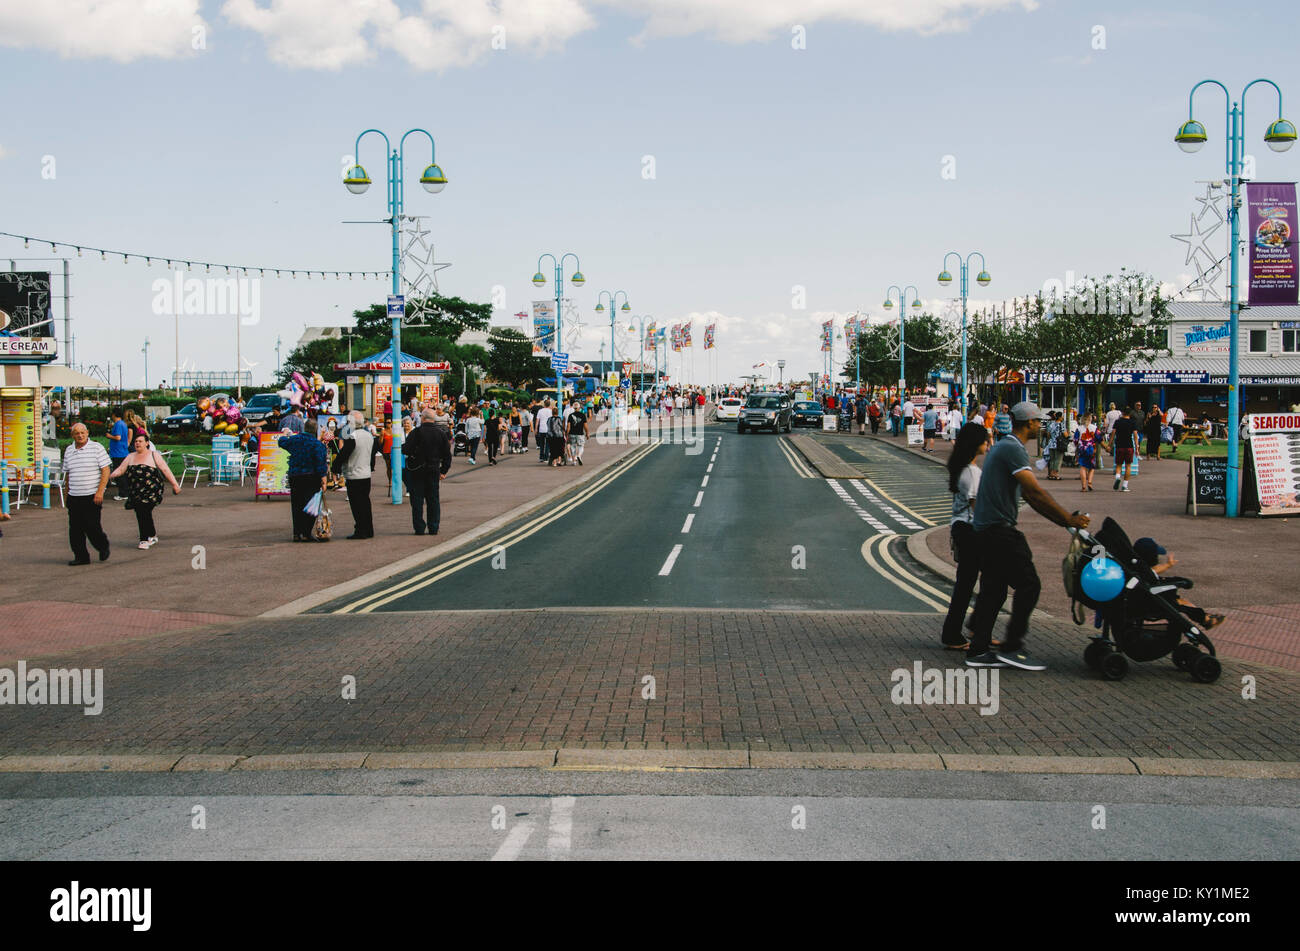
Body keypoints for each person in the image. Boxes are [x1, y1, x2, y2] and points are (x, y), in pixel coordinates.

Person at [965, 401, 1090, 671]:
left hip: (986, 528)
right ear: (1030, 423)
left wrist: (1063, 520)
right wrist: (1067, 519)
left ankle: (978, 650)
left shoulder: (1005, 446)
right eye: (1037, 422)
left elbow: (1032, 497)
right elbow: (1034, 493)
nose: (1039, 425)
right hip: (998, 529)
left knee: (994, 591)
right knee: (1029, 584)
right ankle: (1012, 646)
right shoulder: (1012, 449)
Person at [940, 422, 992, 649]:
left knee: (966, 584)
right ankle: (957, 633)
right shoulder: (972, 473)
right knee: (980, 583)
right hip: (971, 530)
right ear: (976, 444)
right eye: (985, 440)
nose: (988, 444)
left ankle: (964, 630)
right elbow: (977, 506)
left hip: (960, 528)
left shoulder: (961, 468)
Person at [108, 433, 182, 549]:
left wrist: (175, 485)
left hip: (151, 490)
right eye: (136, 441)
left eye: (140, 441)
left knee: (144, 511)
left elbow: (165, 469)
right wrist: (109, 476)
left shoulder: (154, 455)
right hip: (136, 491)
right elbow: (121, 469)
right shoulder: (130, 456)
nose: (137, 443)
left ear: (147, 443)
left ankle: (144, 540)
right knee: (142, 513)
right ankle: (152, 535)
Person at [1133, 537, 1224, 629]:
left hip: (1146, 596)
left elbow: (1152, 571)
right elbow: (1152, 572)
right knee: (1179, 604)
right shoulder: (1143, 571)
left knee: (1180, 601)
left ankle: (1204, 617)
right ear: (1151, 556)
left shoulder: (1137, 567)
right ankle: (1205, 619)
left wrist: (1168, 565)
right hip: (1151, 603)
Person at [63, 422, 112, 565]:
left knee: (92, 526)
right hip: (74, 496)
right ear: (72, 435)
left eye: (82, 432)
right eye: (77, 433)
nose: (80, 435)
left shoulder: (96, 448)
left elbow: (106, 470)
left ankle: (102, 546)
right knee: (75, 529)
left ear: (87, 433)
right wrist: (67, 494)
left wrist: (100, 492)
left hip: (92, 495)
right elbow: (68, 474)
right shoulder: (68, 450)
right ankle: (81, 556)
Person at [402, 408, 452, 535]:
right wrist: (443, 471)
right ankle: (433, 527)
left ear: (423, 418)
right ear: (433, 418)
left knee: (417, 501)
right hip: (433, 470)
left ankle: (419, 527)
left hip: (417, 470)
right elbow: (447, 455)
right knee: (433, 500)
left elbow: (406, 450)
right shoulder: (440, 433)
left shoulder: (416, 433)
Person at [278, 418, 328, 542]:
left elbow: (282, 442)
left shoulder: (295, 440)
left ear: (304, 428)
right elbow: (321, 463)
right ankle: (306, 532)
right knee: (312, 505)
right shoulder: (318, 445)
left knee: (297, 504)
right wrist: (324, 479)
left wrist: (284, 434)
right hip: (311, 477)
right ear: (315, 430)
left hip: (295, 476)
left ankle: (296, 533)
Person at [333, 410, 376, 539]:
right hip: (366, 473)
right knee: (365, 502)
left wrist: (335, 466)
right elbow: (372, 454)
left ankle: (360, 530)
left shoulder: (353, 436)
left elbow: (344, 454)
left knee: (356, 504)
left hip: (354, 473)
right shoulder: (369, 435)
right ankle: (369, 529)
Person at [1108, 405, 1139, 492]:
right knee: (1128, 465)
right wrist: (1137, 447)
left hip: (1119, 445)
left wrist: (1109, 445)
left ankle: (1118, 477)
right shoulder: (1132, 422)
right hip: (1129, 446)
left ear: (1122, 412)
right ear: (1130, 413)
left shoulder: (1118, 422)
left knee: (1119, 464)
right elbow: (1135, 435)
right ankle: (1125, 486)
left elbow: (1113, 433)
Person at [106, 408, 130, 499]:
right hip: (122, 451)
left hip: (118, 452)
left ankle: (123, 493)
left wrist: (109, 436)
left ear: (114, 415)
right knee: (123, 473)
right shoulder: (123, 424)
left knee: (119, 474)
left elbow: (118, 437)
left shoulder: (118, 424)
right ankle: (125, 492)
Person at [1075, 413, 1098, 491]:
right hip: (1091, 448)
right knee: (1091, 467)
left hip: (1082, 449)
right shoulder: (1094, 428)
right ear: (1090, 419)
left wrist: (1077, 448)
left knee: (1083, 467)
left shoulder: (1079, 428)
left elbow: (1075, 440)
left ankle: (1083, 486)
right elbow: (1099, 438)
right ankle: (1090, 482)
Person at [1044, 411, 1065, 479]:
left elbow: (1048, 434)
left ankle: (1050, 474)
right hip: (1058, 444)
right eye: (1062, 416)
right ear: (1060, 417)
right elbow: (1065, 434)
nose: (1063, 418)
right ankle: (1055, 474)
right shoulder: (1061, 424)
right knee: (1058, 459)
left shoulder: (1051, 424)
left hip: (1051, 444)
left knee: (1052, 459)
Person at [567, 398, 588, 466]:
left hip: (572, 433)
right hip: (580, 433)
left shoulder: (570, 415)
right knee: (581, 446)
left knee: (572, 447)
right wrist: (587, 433)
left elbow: (568, 426)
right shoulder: (582, 415)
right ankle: (578, 455)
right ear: (579, 407)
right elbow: (585, 426)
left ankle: (574, 461)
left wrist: (567, 434)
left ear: (573, 407)